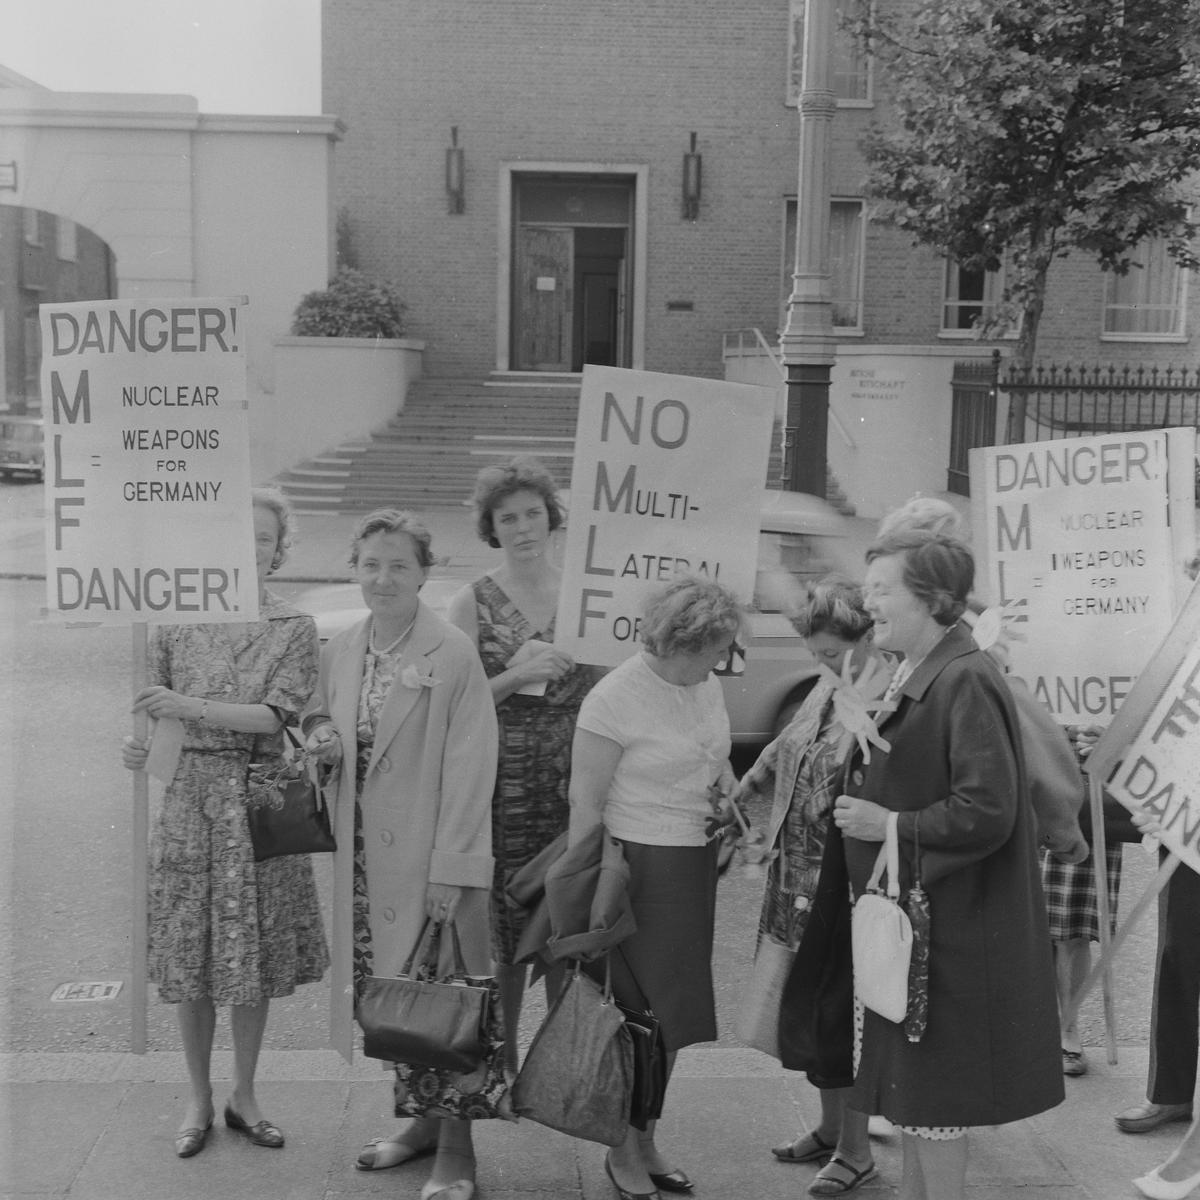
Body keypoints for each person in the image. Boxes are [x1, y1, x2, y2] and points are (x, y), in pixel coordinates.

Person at [828, 529, 1063, 1200]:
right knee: (918, 1097)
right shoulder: (925, 665)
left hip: (947, 930)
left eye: (882, 590)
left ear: (932, 599)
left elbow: (989, 809)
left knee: (935, 1100)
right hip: (922, 922)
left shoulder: (964, 676)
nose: (868, 603)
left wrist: (888, 824)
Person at [120, 487, 329, 1158]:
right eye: (240, 535)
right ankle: (197, 1096)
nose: (251, 548)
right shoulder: (173, 622)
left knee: (252, 954)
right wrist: (139, 748)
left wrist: (192, 706)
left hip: (259, 795)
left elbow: (275, 716)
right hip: (189, 802)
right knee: (193, 952)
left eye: (264, 537)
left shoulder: (293, 626)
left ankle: (245, 1093)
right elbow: (156, 716)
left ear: (279, 548)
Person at [302, 509, 498, 1200]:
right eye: (371, 565)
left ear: (423, 574)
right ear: (355, 569)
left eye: (398, 566)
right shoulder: (344, 647)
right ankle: (420, 1127)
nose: (382, 578)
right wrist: (321, 741)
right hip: (366, 864)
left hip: (430, 862)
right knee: (399, 1002)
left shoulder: (453, 652)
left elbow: (473, 769)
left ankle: (458, 1151)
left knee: (446, 1002)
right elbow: (319, 716)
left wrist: (453, 869)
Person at [568, 576, 743, 1200]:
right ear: (679, 643)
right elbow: (585, 803)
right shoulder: (613, 698)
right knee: (632, 1016)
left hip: (691, 867)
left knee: (670, 1016)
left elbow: (713, 756)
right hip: (633, 868)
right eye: (713, 649)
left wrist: (726, 790)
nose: (720, 660)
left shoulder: (705, 683)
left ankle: (646, 1139)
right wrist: (590, 895)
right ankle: (621, 1148)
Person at [732, 578, 889, 1196]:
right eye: (816, 653)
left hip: (843, 886)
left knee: (843, 1017)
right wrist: (749, 784)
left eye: (832, 652)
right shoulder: (832, 683)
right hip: (798, 876)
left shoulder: (885, 697)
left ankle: (856, 1150)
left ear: (868, 636)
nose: (823, 664)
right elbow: (789, 739)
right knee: (810, 1010)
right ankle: (830, 1130)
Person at [448, 456, 601, 1076]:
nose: (522, 528)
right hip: (504, 784)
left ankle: (556, 1069)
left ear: (551, 517)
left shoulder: (587, 593)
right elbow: (455, 707)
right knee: (508, 933)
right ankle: (505, 1062)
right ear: (491, 527)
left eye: (532, 514)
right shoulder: (471, 601)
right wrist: (517, 674)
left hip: (576, 781)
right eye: (507, 518)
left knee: (567, 925)